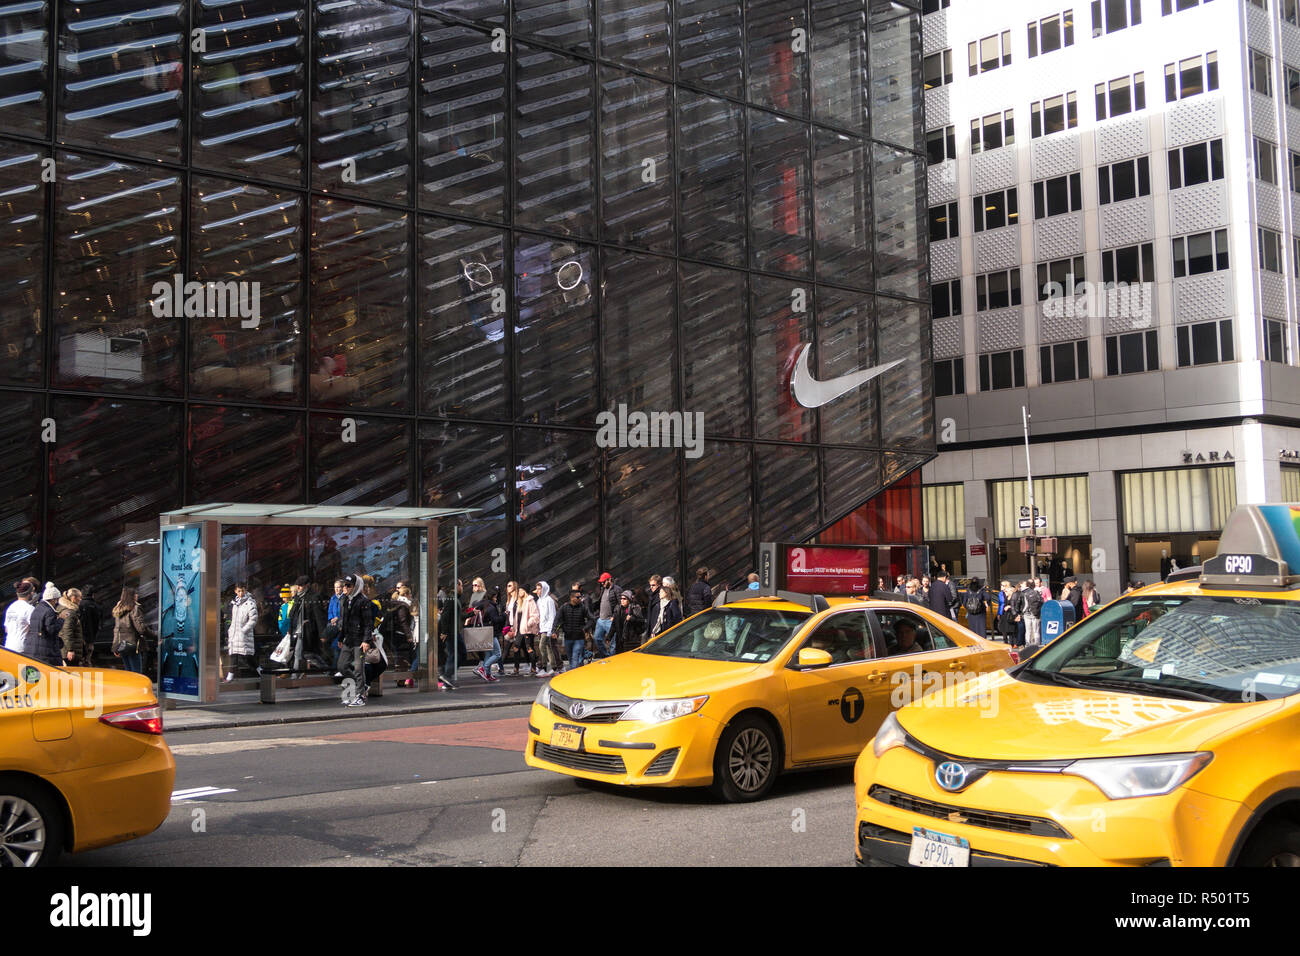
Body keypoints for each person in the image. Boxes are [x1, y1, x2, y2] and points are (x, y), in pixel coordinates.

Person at [336, 573, 378, 704]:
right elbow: (344, 621)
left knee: (359, 668)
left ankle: (360, 696)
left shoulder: (363, 601)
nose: (345, 588)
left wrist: (366, 640)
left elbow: (368, 623)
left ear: (356, 587)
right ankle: (361, 686)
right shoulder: (344, 600)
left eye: (348, 585)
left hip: (359, 640)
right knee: (342, 666)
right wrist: (341, 637)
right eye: (344, 585)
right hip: (349, 639)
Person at [286, 575, 327, 674]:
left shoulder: (314, 597)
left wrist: (323, 634)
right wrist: (290, 630)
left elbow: (319, 616)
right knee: (303, 654)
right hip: (297, 630)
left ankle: (295, 676)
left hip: (308, 630)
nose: (298, 588)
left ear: (307, 585)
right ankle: (326, 670)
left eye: (301, 585)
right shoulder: (297, 597)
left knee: (301, 653)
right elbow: (292, 614)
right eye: (298, 586)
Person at [111, 587, 155, 674]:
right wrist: (155, 635)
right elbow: (141, 628)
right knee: (136, 673)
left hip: (122, 646)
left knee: (128, 673)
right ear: (132, 596)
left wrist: (115, 647)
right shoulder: (135, 608)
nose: (137, 595)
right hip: (133, 645)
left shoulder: (119, 609)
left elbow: (116, 630)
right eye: (135, 594)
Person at [470, 578, 504, 681]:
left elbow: (473, 608)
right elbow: (495, 620)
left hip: (484, 632)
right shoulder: (492, 607)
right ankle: (483, 668)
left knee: (489, 653)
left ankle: (488, 674)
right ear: (494, 596)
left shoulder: (483, 603)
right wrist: (504, 616)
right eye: (496, 596)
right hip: (490, 632)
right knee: (497, 654)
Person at [225, 582, 258, 681]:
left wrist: (244, 630)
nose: (241, 593)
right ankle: (230, 676)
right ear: (235, 591)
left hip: (244, 634)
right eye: (239, 591)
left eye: (243, 590)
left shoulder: (250, 603)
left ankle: (261, 671)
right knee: (233, 654)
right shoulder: (234, 603)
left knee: (248, 657)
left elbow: (253, 619)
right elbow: (231, 619)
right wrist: (230, 630)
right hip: (234, 634)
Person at [28, 583, 64, 666]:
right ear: (53, 599)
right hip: (46, 651)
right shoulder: (49, 611)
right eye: (56, 600)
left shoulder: (37, 609)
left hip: (34, 648)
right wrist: (61, 619)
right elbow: (51, 630)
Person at [558, 588, 589, 671]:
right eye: (578, 597)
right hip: (568, 638)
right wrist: (555, 630)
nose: (580, 599)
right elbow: (557, 620)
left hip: (579, 638)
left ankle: (573, 676)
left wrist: (585, 628)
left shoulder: (583, 608)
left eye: (580, 597)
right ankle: (574, 674)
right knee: (570, 658)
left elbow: (592, 619)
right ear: (572, 598)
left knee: (575, 658)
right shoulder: (564, 608)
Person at [533, 581, 559, 677]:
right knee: (548, 649)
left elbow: (552, 615)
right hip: (541, 628)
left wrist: (550, 630)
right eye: (537, 589)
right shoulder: (539, 601)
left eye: (540, 589)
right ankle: (555, 668)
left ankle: (543, 668)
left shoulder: (549, 600)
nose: (538, 591)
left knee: (541, 646)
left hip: (547, 628)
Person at [57, 588, 89, 666]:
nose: (81, 600)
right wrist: (70, 650)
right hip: (69, 651)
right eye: (79, 597)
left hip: (64, 649)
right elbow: (67, 631)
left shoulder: (62, 609)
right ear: (73, 598)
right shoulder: (70, 613)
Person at [590, 572, 618, 659]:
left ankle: (613, 659)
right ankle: (606, 656)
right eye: (601, 582)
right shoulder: (603, 589)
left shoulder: (616, 589)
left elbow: (620, 604)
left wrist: (614, 616)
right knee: (597, 638)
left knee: (613, 641)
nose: (602, 584)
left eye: (604, 582)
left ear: (609, 580)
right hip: (601, 619)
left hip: (610, 620)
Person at [4, 580, 35, 653]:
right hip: (22, 649)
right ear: (29, 594)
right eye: (32, 592)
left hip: (8, 646)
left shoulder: (11, 607)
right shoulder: (30, 609)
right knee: (22, 665)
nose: (33, 593)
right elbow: (34, 628)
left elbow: (6, 629)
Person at [78, 585, 103, 656]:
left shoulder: (78, 605)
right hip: (90, 638)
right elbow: (97, 623)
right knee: (87, 658)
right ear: (93, 595)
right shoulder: (96, 606)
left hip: (78, 638)